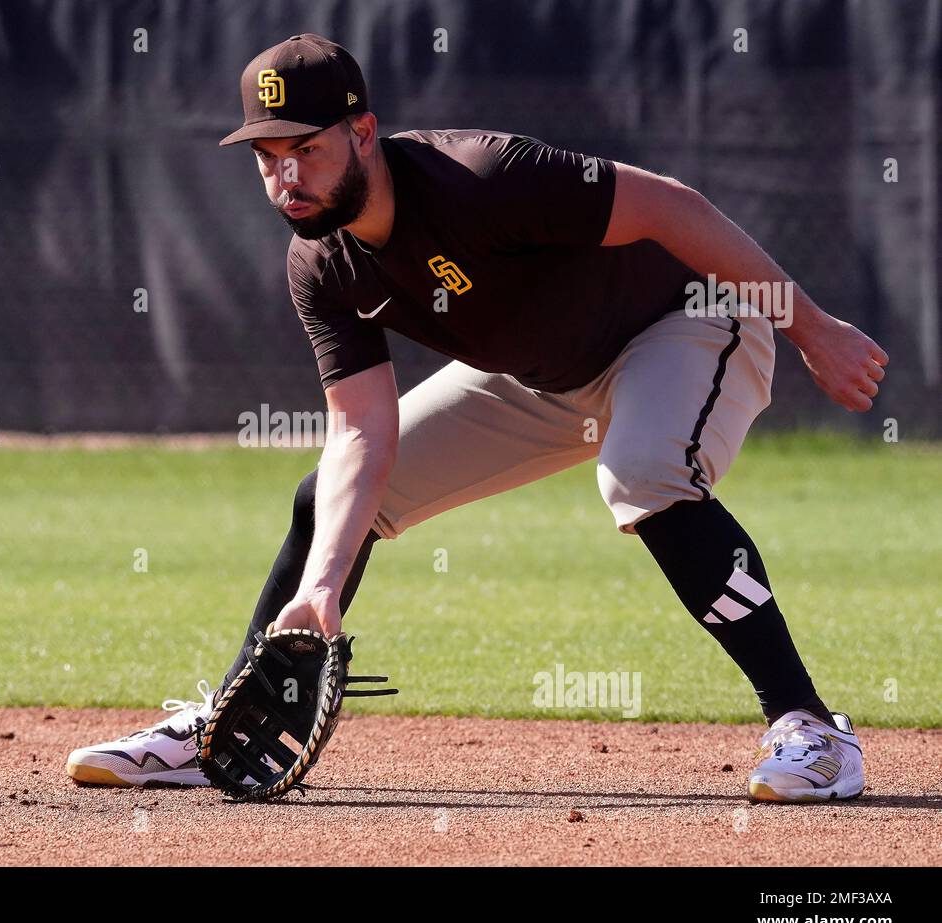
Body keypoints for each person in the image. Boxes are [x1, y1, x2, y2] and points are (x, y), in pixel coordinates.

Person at [68, 34, 885, 802]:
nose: (287, 178)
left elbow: (674, 207)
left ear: (362, 132)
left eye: (306, 149)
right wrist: (321, 587)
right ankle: (224, 732)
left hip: (684, 320)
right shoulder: (320, 261)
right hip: (538, 375)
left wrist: (812, 328)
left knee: (643, 473)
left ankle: (811, 728)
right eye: (268, 158)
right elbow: (361, 433)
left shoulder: (482, 177)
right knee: (331, 504)